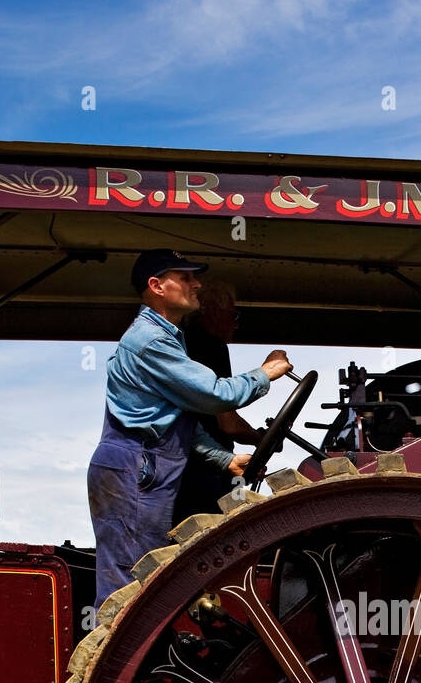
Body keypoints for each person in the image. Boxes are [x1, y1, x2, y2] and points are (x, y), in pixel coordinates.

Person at [87, 249, 291, 609]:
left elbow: (175, 421)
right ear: (156, 286)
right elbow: (215, 396)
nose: (196, 284)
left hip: (146, 464)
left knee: (146, 574)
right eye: (185, 277)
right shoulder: (151, 341)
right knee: (134, 581)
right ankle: (111, 661)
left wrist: (223, 460)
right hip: (138, 466)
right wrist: (266, 373)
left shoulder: (169, 338)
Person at [174, 279, 257, 520]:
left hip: (180, 466)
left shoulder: (181, 343)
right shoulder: (211, 346)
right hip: (202, 471)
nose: (235, 323)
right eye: (233, 314)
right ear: (210, 313)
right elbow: (228, 423)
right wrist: (259, 438)